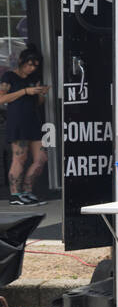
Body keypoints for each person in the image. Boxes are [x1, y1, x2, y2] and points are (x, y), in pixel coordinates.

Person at [0, 48, 51, 206]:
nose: (32, 69)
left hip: (33, 122)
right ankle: (15, 194)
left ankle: (27, 191)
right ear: (21, 62)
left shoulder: (34, 77)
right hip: (17, 122)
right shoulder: (9, 76)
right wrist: (25, 91)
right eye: (29, 65)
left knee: (41, 158)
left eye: (35, 66)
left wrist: (41, 93)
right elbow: (1, 99)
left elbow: (39, 102)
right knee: (20, 158)